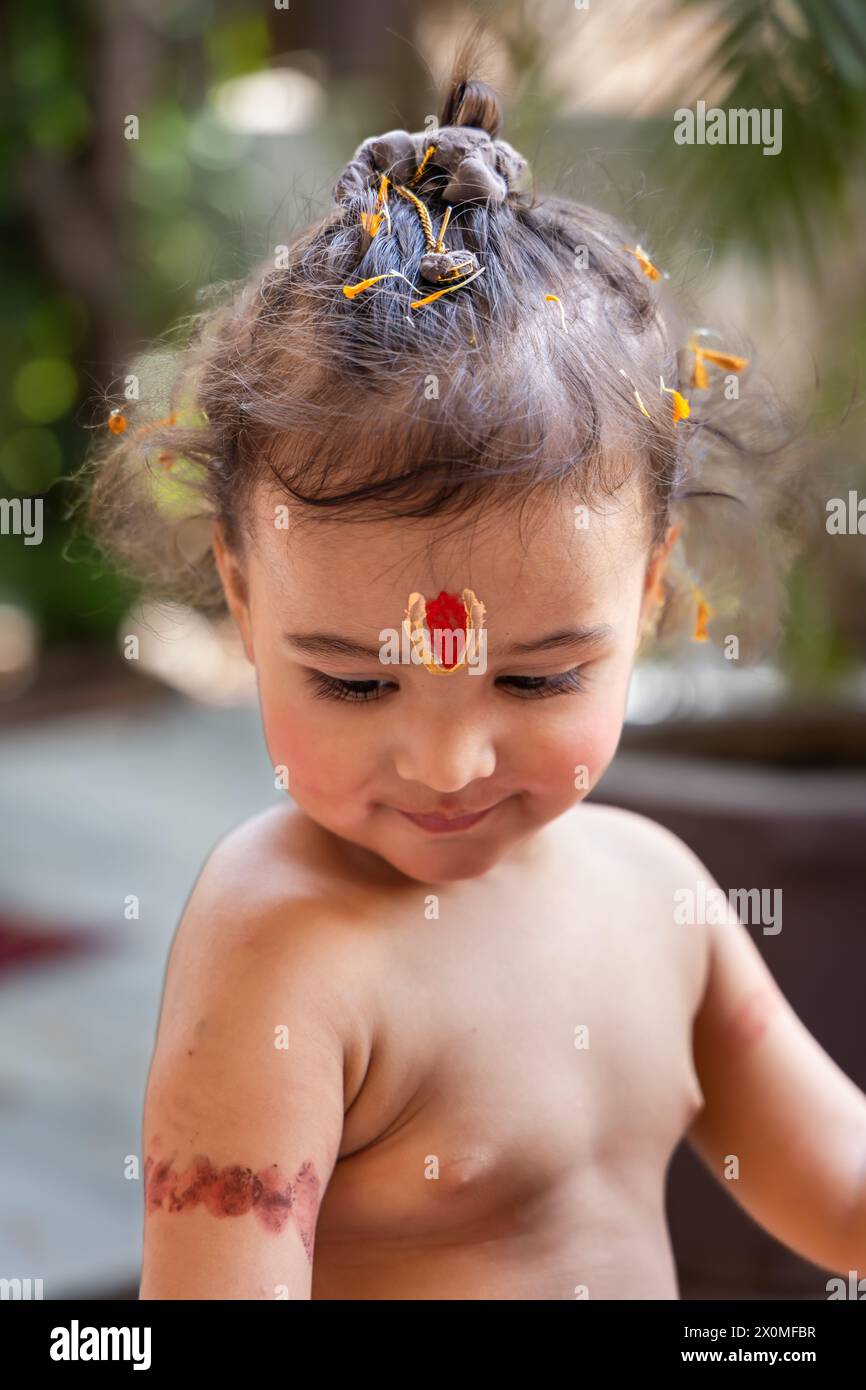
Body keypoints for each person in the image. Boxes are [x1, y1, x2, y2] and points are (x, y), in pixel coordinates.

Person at [87, 42, 866, 1300]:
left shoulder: (658, 895)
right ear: (240, 596)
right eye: (353, 683)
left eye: (536, 680)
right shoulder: (281, 944)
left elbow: (835, 1189)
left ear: (650, 588)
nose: (448, 762)